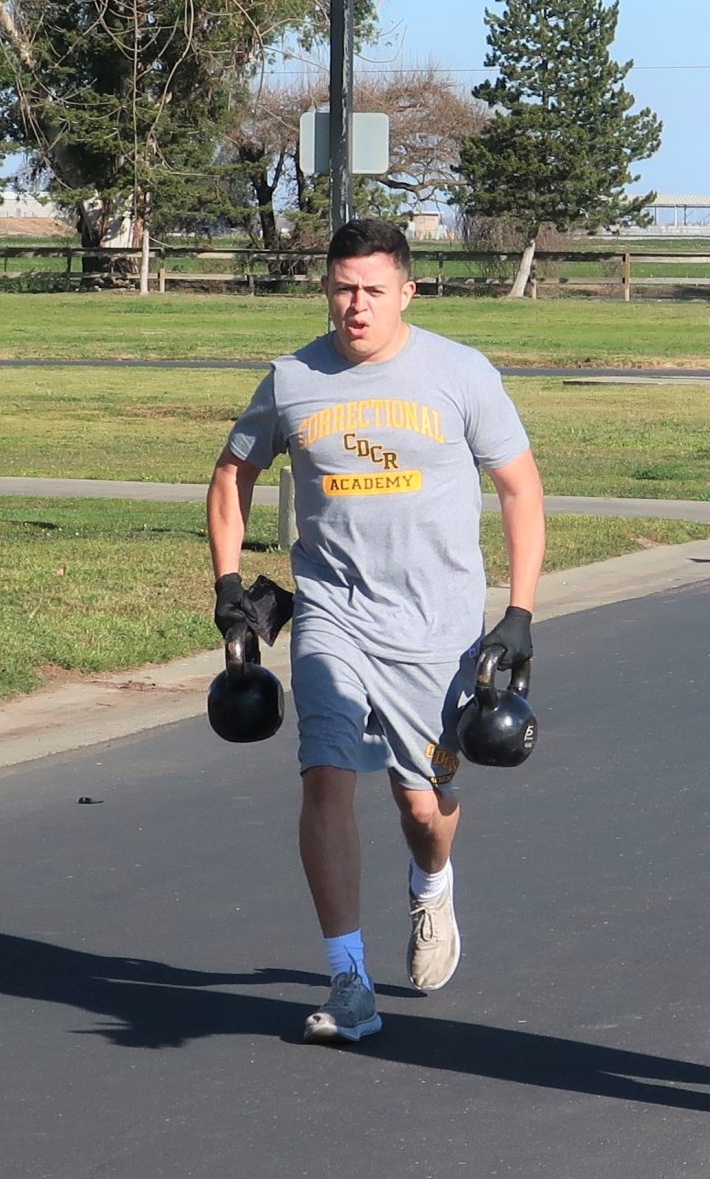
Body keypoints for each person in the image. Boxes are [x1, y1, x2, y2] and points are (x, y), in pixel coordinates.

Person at [207, 219, 545, 1044]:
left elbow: (519, 488)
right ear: (326, 288)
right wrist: (225, 583)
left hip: (437, 624)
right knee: (325, 773)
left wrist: (521, 610)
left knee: (422, 803)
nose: (355, 306)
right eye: (342, 288)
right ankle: (349, 977)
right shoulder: (293, 378)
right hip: (331, 612)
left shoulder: (459, 373)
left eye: (372, 290)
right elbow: (232, 471)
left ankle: (433, 884)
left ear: (407, 291)